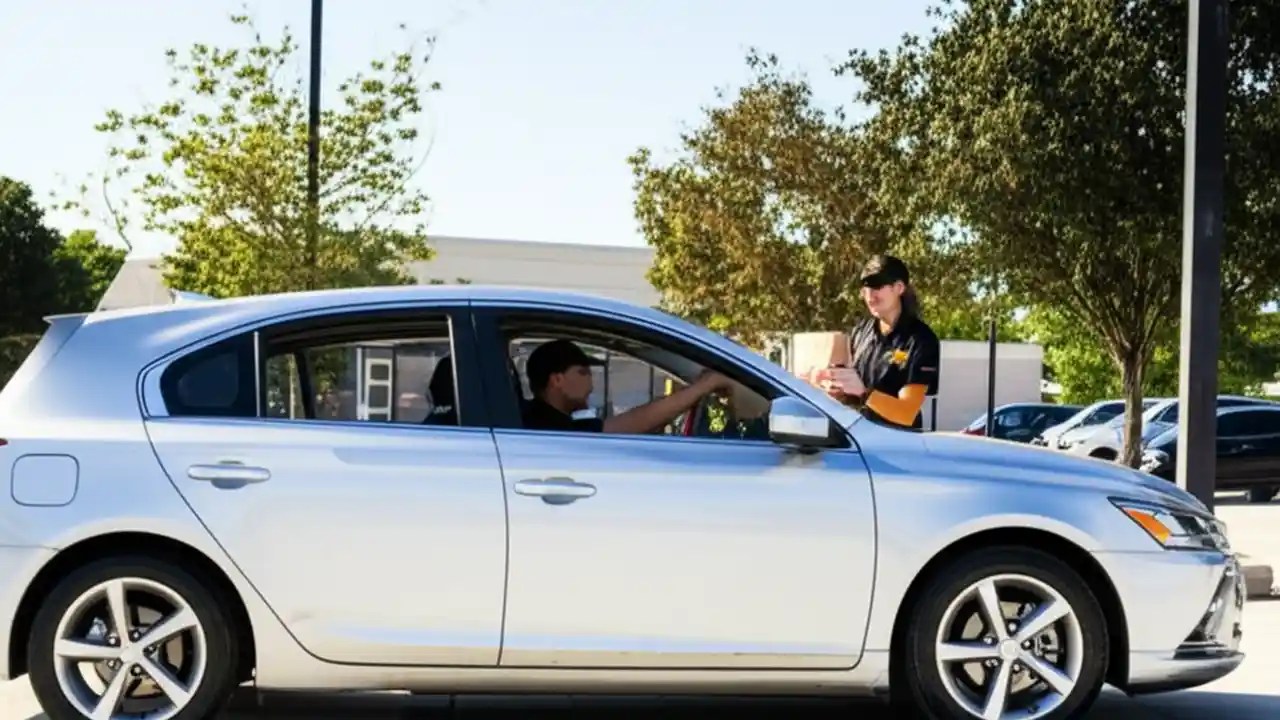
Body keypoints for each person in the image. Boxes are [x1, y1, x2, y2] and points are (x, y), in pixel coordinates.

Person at [812, 254, 940, 430]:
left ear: (899, 288)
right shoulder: (860, 331)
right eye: (865, 289)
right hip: (858, 436)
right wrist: (830, 388)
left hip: (896, 441)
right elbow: (850, 390)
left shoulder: (921, 339)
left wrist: (864, 393)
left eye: (877, 286)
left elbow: (907, 413)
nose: (870, 296)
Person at [521, 338, 734, 434]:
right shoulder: (547, 427)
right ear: (557, 380)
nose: (591, 384)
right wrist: (704, 386)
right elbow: (634, 422)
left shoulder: (535, 419)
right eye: (583, 373)